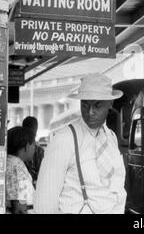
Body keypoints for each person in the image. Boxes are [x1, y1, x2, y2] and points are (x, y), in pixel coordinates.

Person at [34, 74, 126, 214]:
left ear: (110, 104)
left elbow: (118, 189)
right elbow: (45, 204)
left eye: (97, 105)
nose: (90, 112)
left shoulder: (111, 137)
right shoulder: (64, 139)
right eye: (85, 105)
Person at [6, 126, 36, 214]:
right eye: (33, 144)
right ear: (27, 146)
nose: (35, 148)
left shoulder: (9, 162)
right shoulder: (16, 168)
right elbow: (19, 208)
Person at [22, 116, 44, 187]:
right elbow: (42, 173)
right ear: (36, 129)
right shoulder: (39, 151)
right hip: (34, 189)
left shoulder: (17, 147)